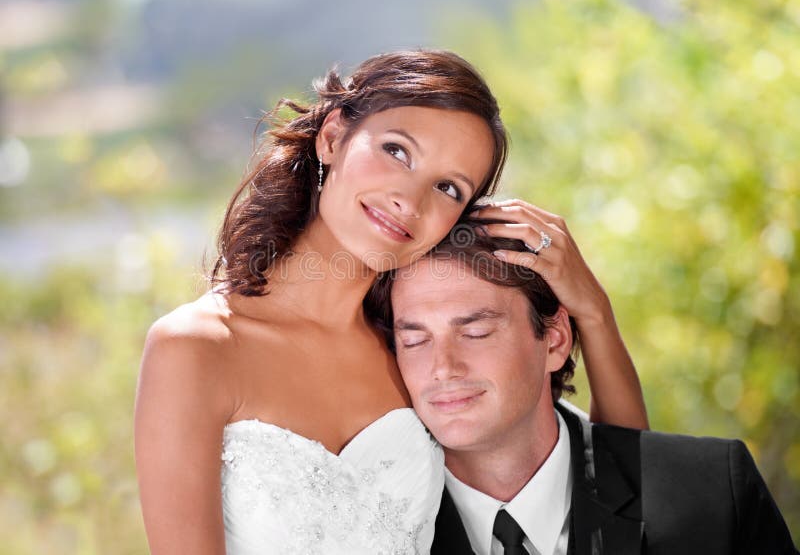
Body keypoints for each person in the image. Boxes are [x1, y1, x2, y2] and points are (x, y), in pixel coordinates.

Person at [134, 49, 648, 555]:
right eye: (398, 151)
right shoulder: (197, 349)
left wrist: (593, 312)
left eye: (448, 187)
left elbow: (622, 483)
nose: (410, 199)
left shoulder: (417, 349)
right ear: (333, 137)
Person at [383, 222, 798, 555]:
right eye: (415, 341)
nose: (443, 368)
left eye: (476, 331)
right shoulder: (368, 526)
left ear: (556, 340)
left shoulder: (713, 493)